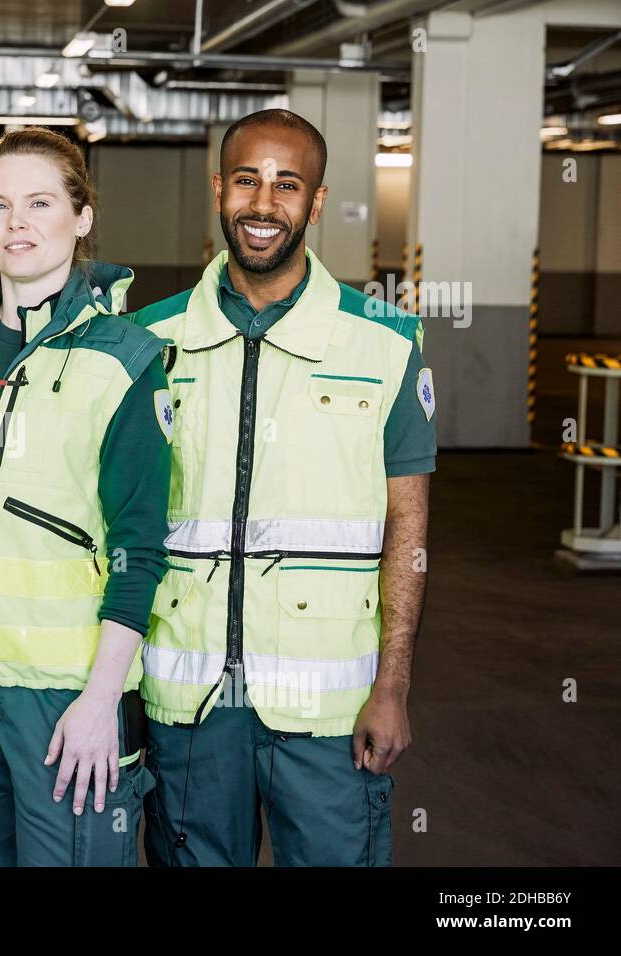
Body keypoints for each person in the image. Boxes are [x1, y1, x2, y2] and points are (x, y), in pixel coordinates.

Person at [133, 108, 435, 866]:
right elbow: (124, 521)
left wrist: (392, 686)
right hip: (188, 702)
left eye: (288, 185)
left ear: (317, 201)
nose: (263, 203)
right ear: (218, 190)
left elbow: (408, 529)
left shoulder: (386, 343)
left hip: (329, 712)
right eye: (247, 180)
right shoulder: (149, 342)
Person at [0, 127, 171, 866]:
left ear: (82, 218)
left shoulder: (125, 361)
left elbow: (141, 548)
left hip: (66, 698)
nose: (16, 222)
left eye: (40, 203)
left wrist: (101, 701)